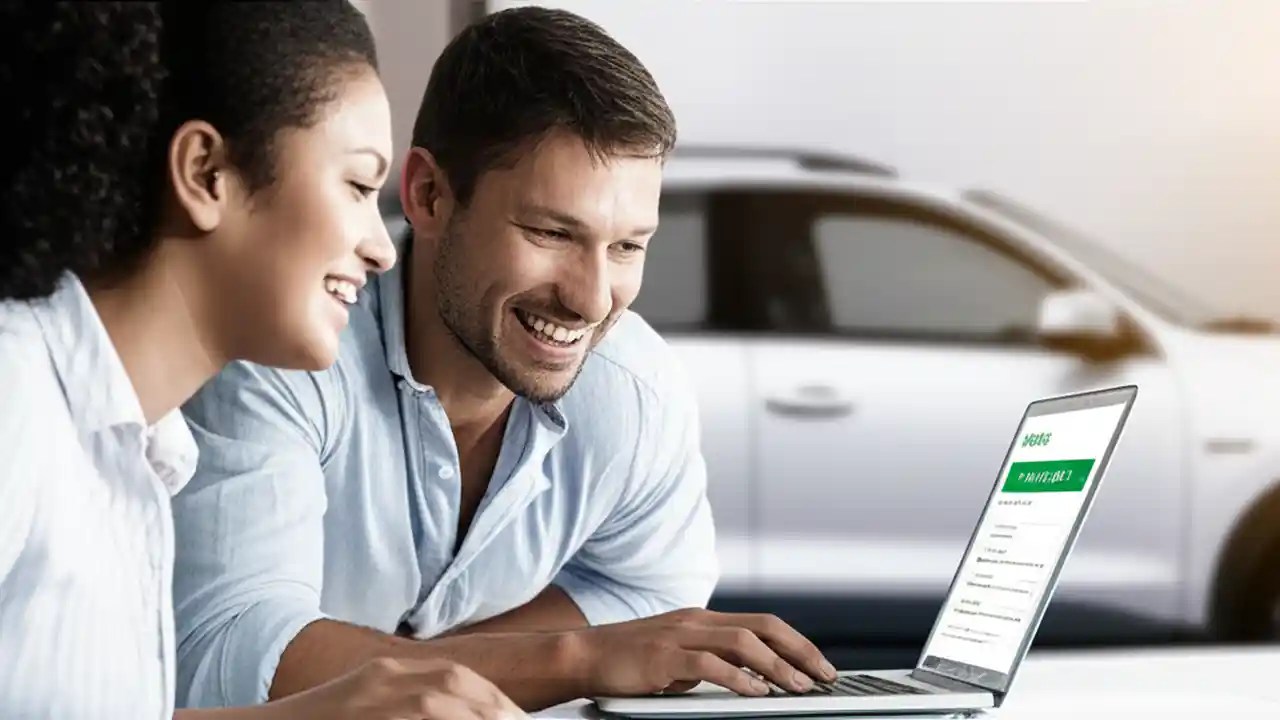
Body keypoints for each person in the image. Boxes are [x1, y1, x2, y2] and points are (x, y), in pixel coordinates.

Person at [173, 5, 837, 713]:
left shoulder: (634, 390)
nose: (590, 300)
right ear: (428, 195)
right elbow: (226, 655)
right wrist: (572, 657)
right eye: (552, 232)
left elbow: (650, 600)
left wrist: (419, 672)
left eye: (627, 247)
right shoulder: (288, 347)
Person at [0, 2, 524, 719]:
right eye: (357, 185)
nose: (382, 245)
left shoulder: (146, 454)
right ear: (207, 173)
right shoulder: (16, 394)